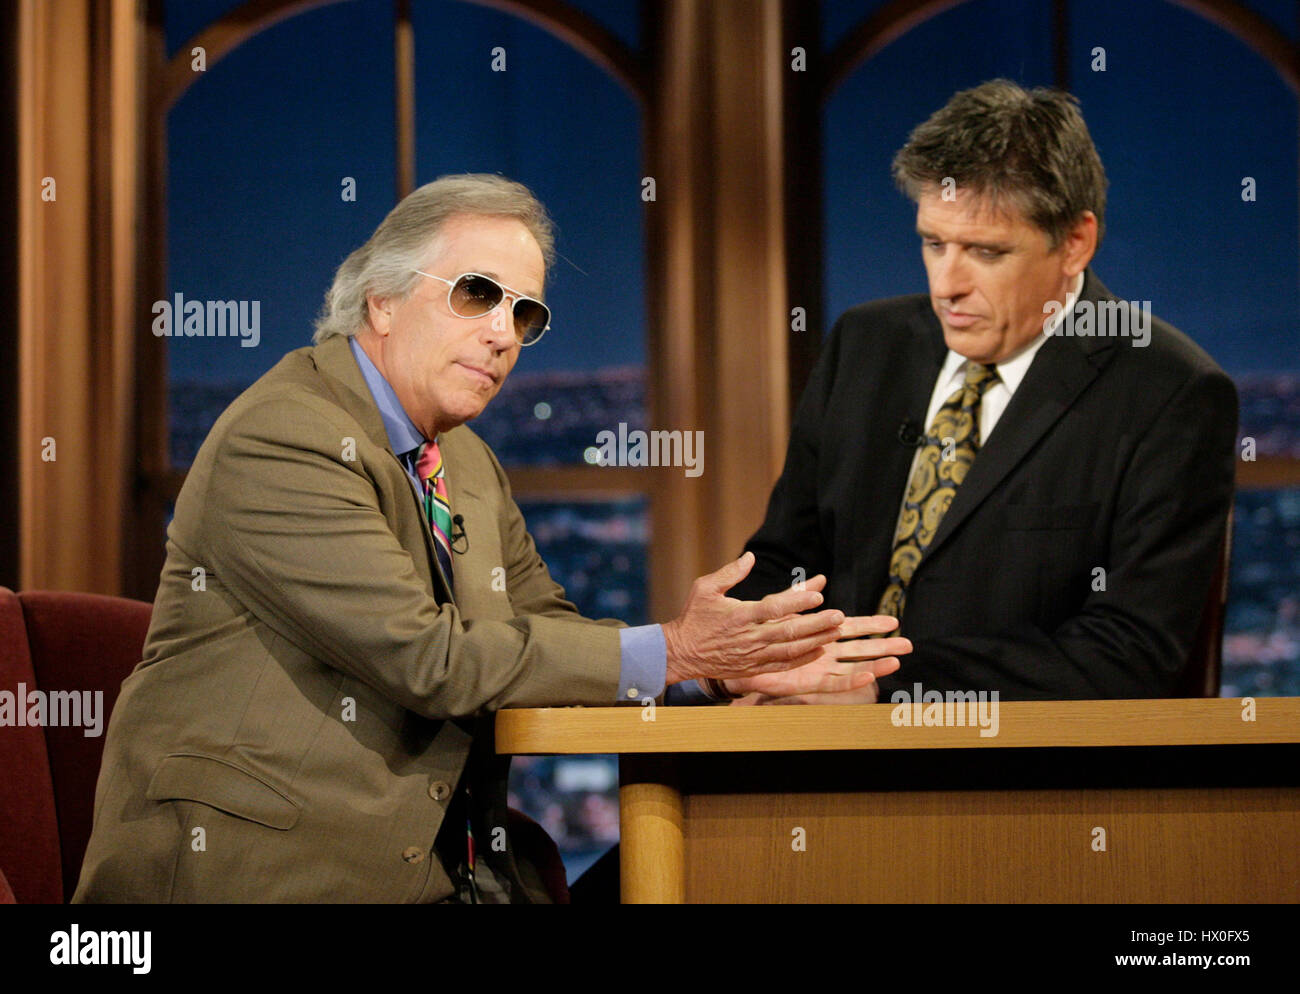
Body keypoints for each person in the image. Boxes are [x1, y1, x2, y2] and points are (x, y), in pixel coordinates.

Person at [73, 174, 909, 904]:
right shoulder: (286, 435)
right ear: (382, 299)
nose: (504, 333)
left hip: (453, 872)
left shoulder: (463, 460)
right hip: (264, 873)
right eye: (477, 294)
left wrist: (724, 673)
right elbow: (429, 659)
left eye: (525, 313)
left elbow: (547, 631)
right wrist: (681, 651)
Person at [728, 80, 1238, 703]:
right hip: (814, 760)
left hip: (1023, 783)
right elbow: (788, 563)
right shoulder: (866, 345)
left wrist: (883, 687)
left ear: (1075, 241)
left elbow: (1128, 653)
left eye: (986, 252)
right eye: (933, 243)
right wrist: (736, 663)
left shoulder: (1171, 394)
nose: (948, 284)